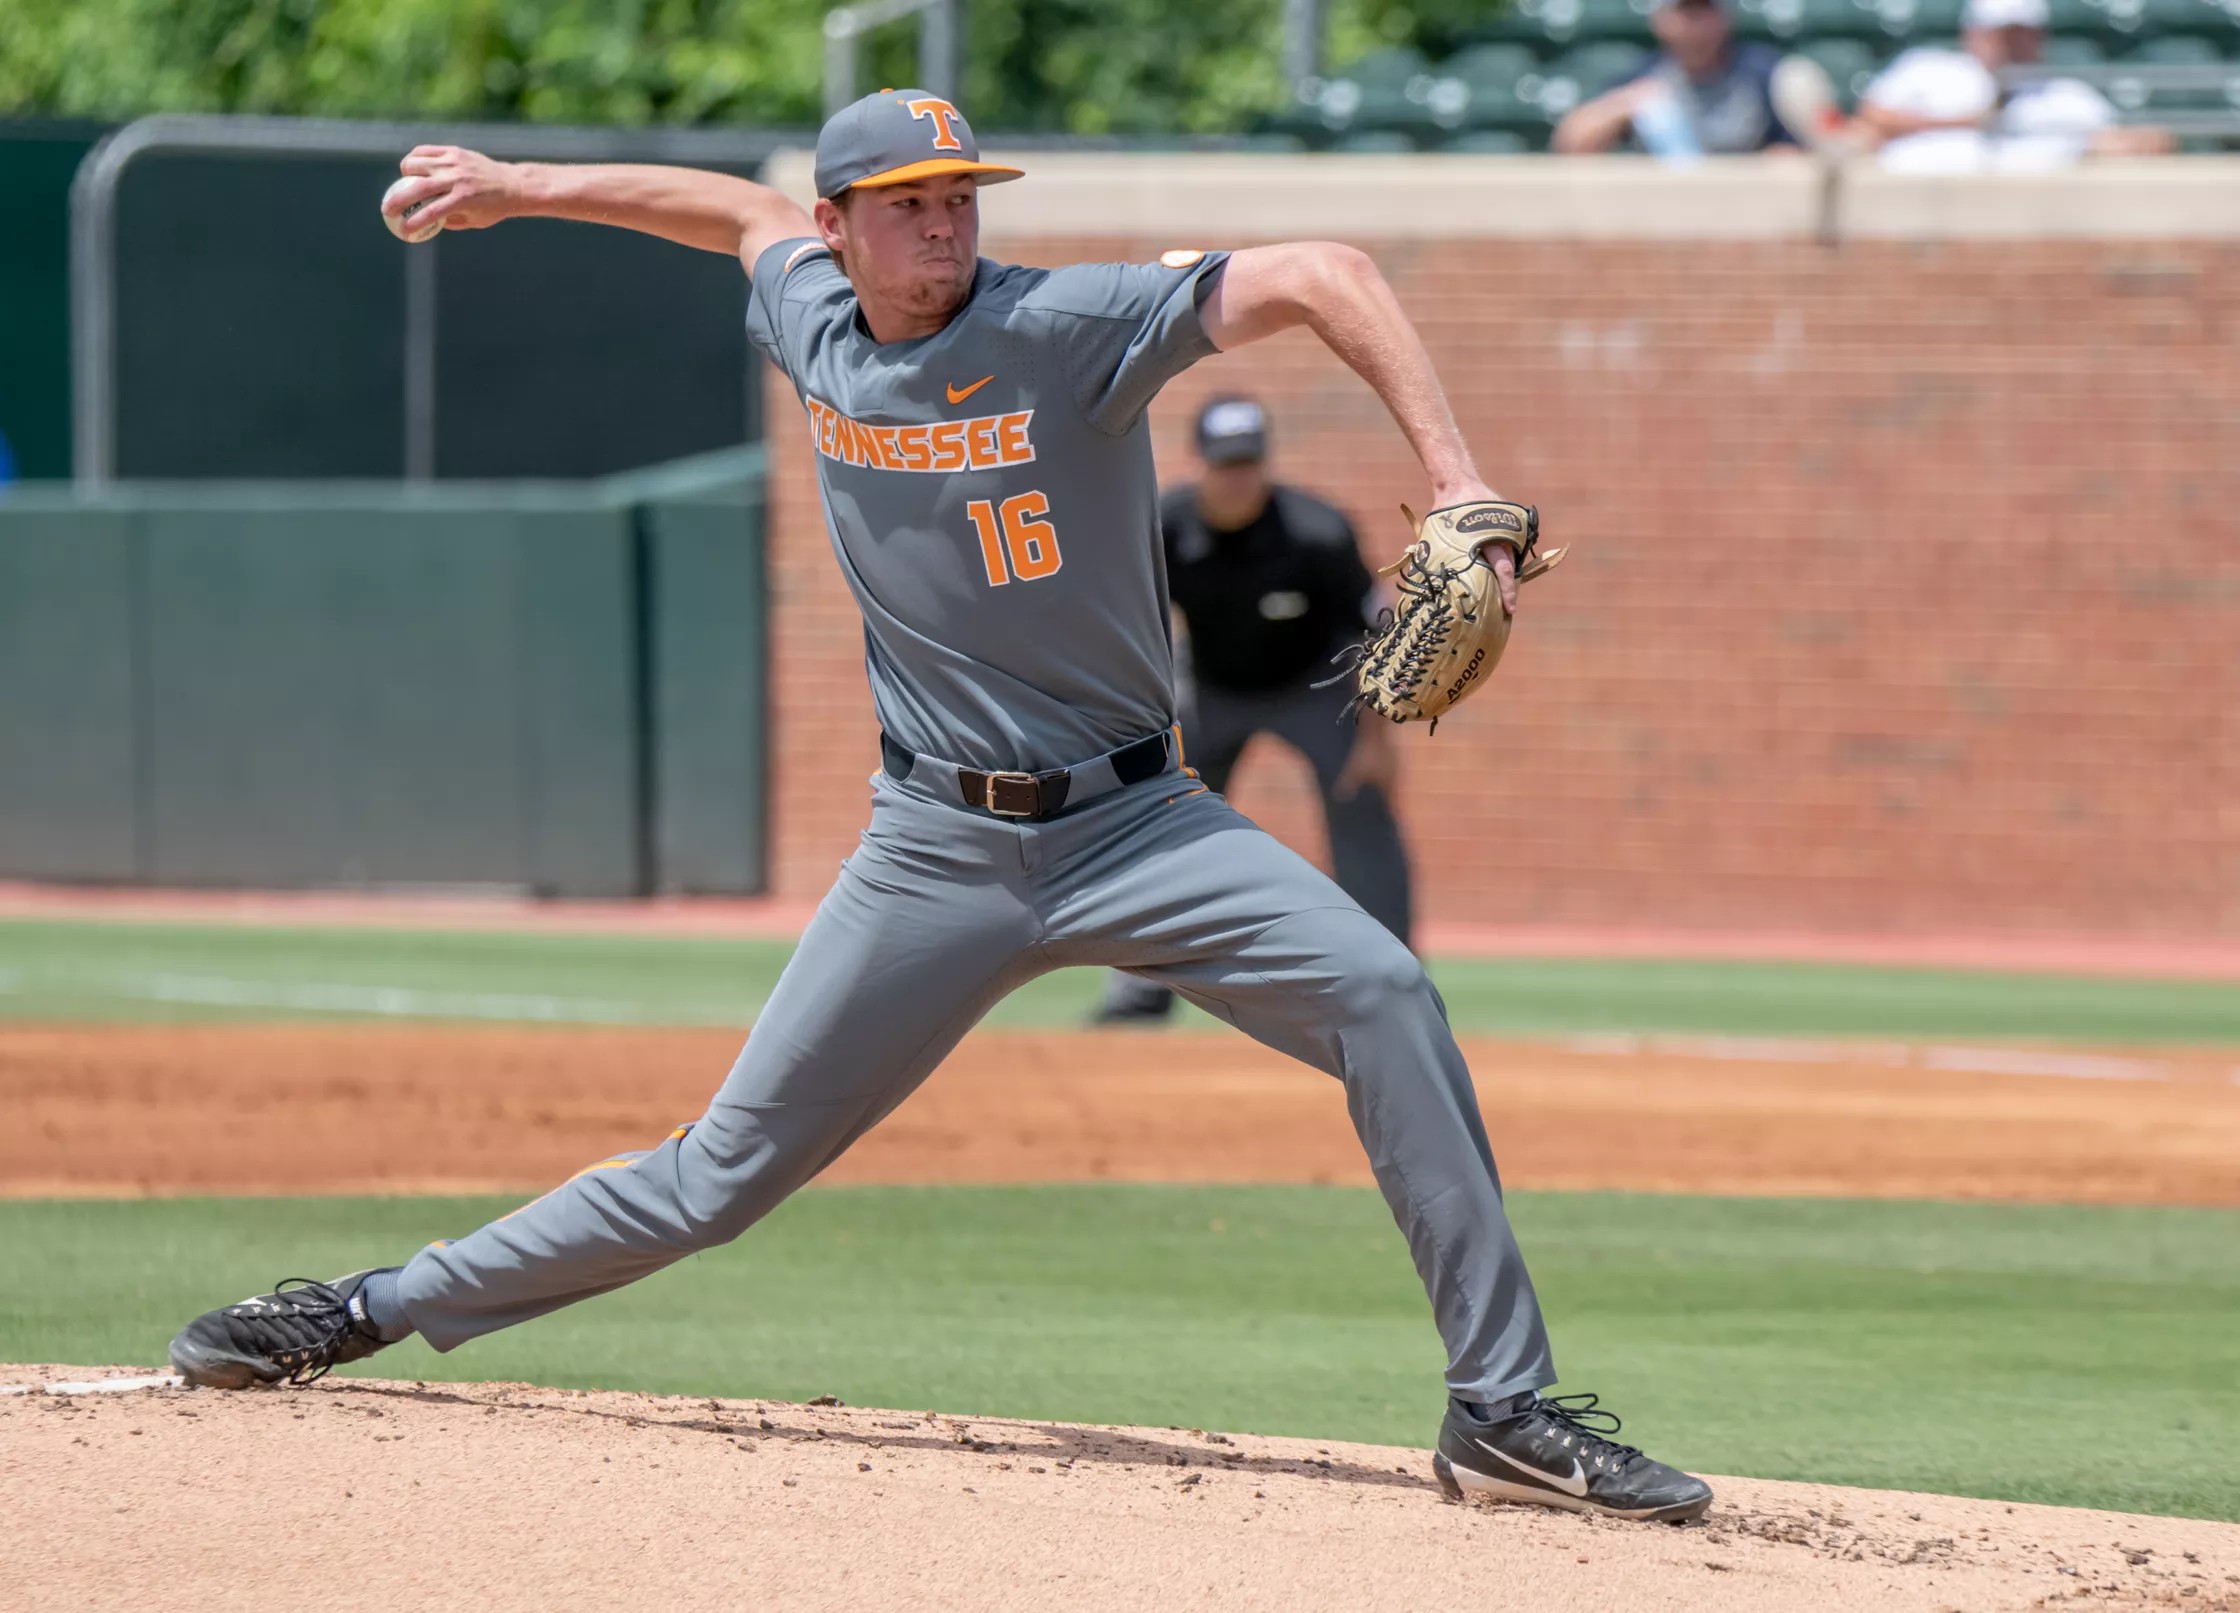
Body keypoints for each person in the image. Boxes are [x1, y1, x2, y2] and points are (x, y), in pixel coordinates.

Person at [165, 90, 1714, 1525]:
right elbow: (729, 210)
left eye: (959, 195)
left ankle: (1499, 1405)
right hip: (934, 852)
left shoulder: (1072, 324)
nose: (946, 224)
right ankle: (364, 1307)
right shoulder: (811, 316)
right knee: (720, 1174)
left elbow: (1327, 268)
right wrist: (519, 187)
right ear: (843, 226)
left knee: (1381, 988)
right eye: (907, 202)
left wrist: (1456, 487)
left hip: (1139, 828)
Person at [1092, 394, 1414, 1027]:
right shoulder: (1167, 527)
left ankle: (1394, 983)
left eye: (1248, 464)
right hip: (1212, 688)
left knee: (1363, 804)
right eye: (1224, 464)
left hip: (1318, 687)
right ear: (1201, 464)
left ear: (1265, 463)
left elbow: (1379, 631)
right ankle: (1140, 994)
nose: (1237, 478)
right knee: (1153, 819)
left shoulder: (1316, 531)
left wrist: (1376, 740)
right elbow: (1126, 624)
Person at [1857, 0, 2175, 172]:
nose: (2011, 44)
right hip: (1921, 212)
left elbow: (2132, 140)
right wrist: (1961, 123)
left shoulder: (2064, 94)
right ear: (1974, 32)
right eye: (2001, 33)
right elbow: (1871, 118)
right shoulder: (1928, 68)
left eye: (2021, 33)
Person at [1550, 0, 1819, 159]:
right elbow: (1570, 143)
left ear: (1724, 18)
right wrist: (1624, 105)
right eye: (1686, 14)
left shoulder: (1761, 73)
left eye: (1704, 12)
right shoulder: (1645, 76)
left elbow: (1799, 151)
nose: (1696, 27)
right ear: (1662, 21)